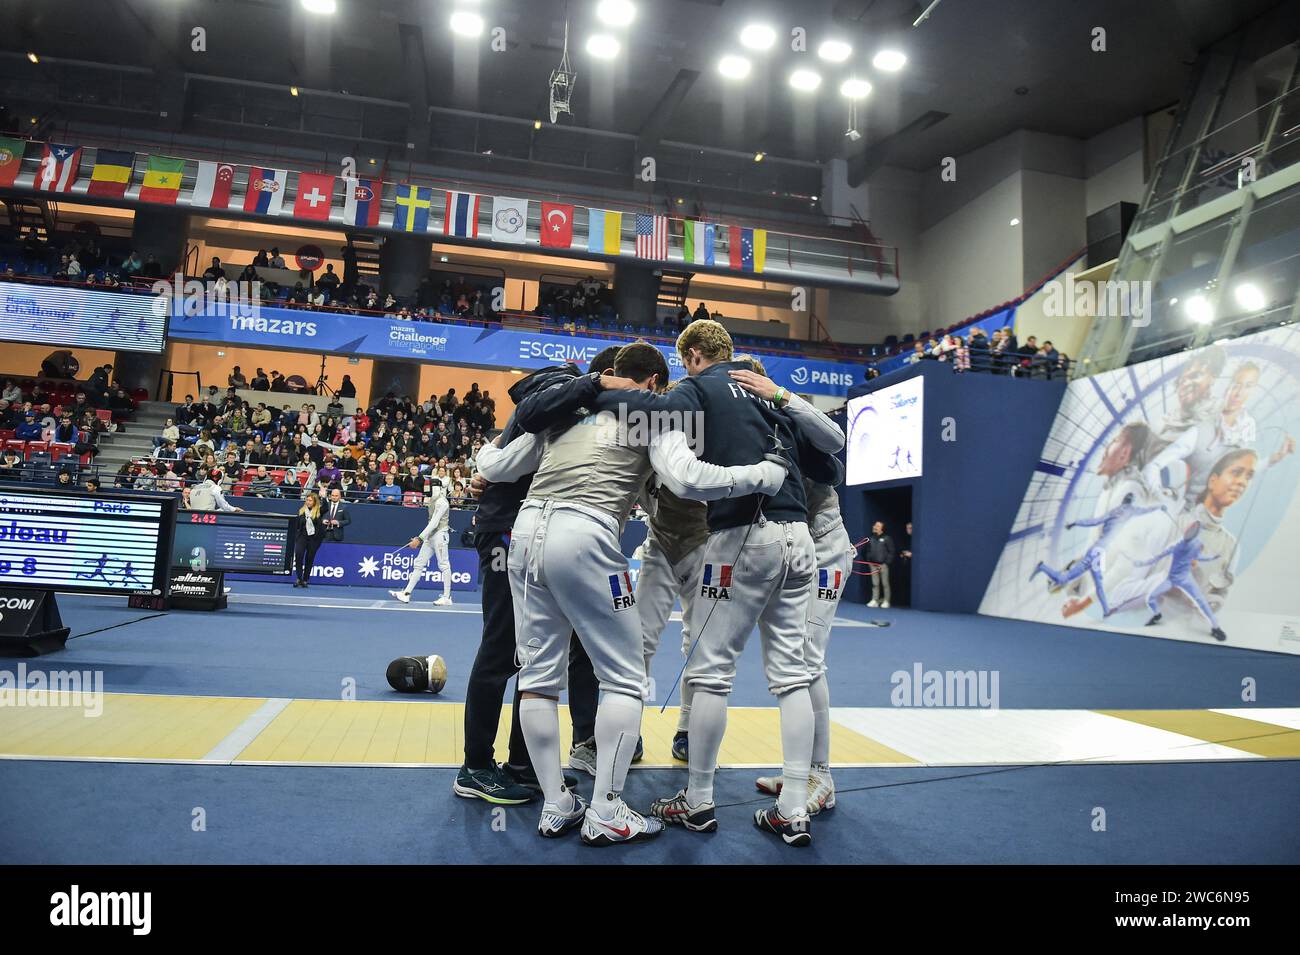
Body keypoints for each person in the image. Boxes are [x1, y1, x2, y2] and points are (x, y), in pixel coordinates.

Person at [492, 341, 788, 845]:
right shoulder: (652, 418)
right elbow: (687, 479)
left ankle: (556, 804)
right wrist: (762, 474)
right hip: (585, 533)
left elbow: (494, 465)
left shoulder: (568, 411)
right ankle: (606, 809)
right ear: (655, 383)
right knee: (626, 678)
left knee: (538, 677)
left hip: (524, 537)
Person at [1030, 493, 1164, 617]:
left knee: (1095, 583)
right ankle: (1042, 567)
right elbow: (1146, 510)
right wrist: (1159, 507)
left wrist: (1076, 523)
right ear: (1131, 502)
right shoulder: (1131, 510)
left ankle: (1106, 611)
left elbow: (1094, 521)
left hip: (1096, 551)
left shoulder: (1114, 512)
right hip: (1098, 552)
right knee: (1072, 580)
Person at [1136, 521, 1226, 642]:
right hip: (1171, 579)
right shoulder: (1176, 546)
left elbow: (1198, 557)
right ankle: (1157, 615)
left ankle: (1216, 628)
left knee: (1201, 601)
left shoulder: (1196, 544)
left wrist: (1212, 557)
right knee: (1150, 597)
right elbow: (1158, 557)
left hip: (1186, 579)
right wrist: (1142, 563)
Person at [390, 480, 453, 606]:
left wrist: (419, 538)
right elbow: (431, 524)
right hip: (430, 536)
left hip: (440, 535)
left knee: (444, 565)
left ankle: (447, 597)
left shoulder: (442, 502)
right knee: (419, 563)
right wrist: (422, 537)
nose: (426, 489)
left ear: (436, 487)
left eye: (428, 487)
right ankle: (406, 593)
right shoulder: (432, 501)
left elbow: (435, 523)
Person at [292, 492, 324, 588]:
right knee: (299, 556)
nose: (308, 502)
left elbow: (326, 507)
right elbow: (297, 525)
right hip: (302, 537)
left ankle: (305, 579)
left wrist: (324, 496)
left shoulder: (318, 511)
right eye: (307, 500)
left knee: (309, 559)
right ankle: (299, 578)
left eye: (310, 500)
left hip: (313, 539)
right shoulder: (301, 511)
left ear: (314, 502)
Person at [863, 521, 895, 608]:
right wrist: (869, 561)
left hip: (883, 565)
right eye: (874, 525)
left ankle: (886, 601)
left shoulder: (887, 538)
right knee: (875, 583)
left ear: (882, 528)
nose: (875, 527)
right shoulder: (871, 538)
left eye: (877, 526)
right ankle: (875, 600)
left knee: (885, 584)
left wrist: (886, 563)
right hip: (873, 565)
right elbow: (868, 551)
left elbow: (891, 552)